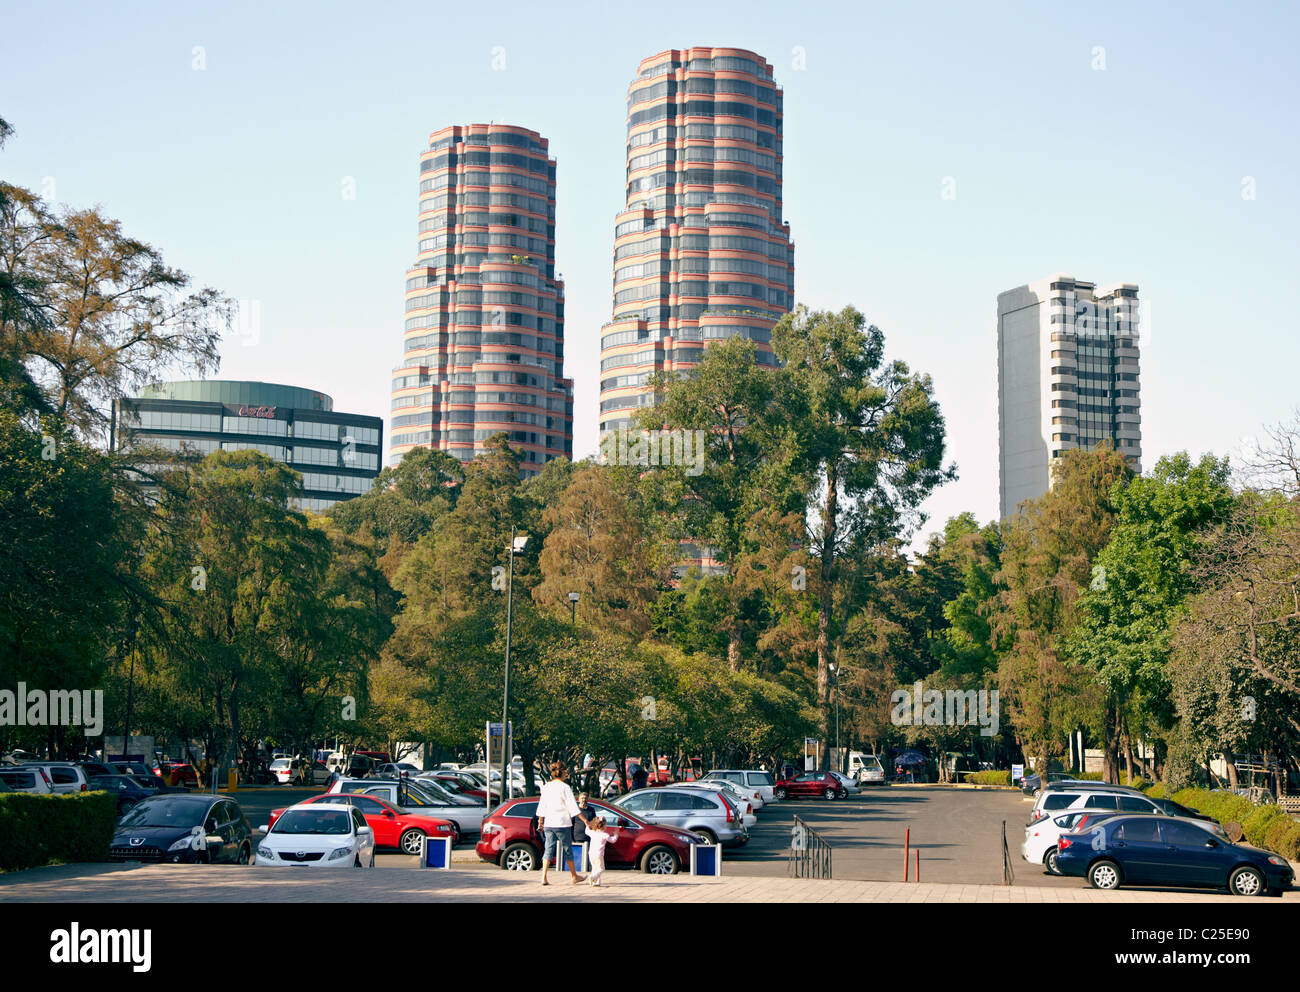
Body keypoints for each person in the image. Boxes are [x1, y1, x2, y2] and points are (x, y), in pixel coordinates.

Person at [536, 762, 591, 886]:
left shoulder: (547, 787)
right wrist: (585, 820)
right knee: (567, 849)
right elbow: (573, 807)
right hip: (562, 822)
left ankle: (543, 876)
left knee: (548, 849)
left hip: (549, 822)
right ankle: (574, 876)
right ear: (562, 772)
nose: (567, 773)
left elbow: (542, 806)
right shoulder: (565, 787)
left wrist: (541, 821)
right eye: (565, 771)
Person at [586, 815, 616, 886]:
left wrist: (588, 825)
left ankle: (596, 882)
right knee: (601, 869)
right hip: (599, 854)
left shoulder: (592, 832)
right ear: (603, 826)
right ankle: (592, 877)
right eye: (606, 825)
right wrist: (616, 835)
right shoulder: (604, 835)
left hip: (591, 853)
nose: (606, 826)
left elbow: (586, 831)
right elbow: (613, 840)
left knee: (594, 868)